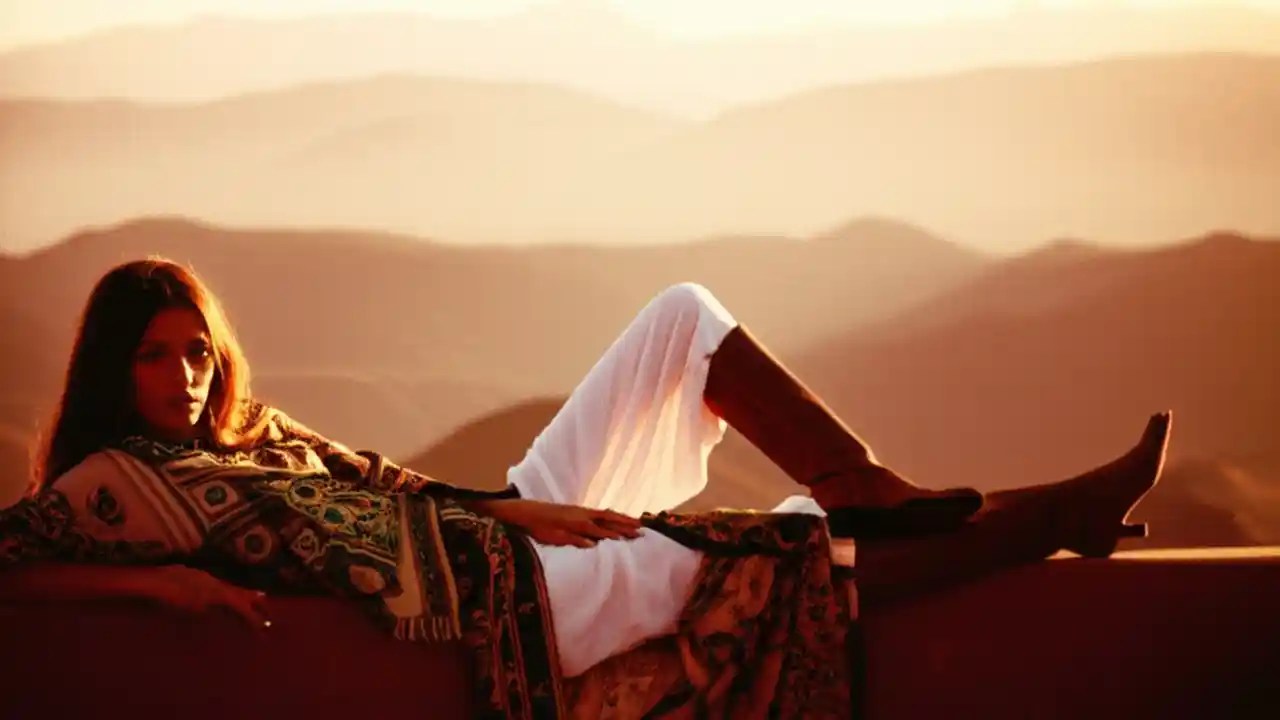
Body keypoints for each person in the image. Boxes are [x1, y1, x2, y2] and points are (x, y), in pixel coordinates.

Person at [0, 258, 1171, 715]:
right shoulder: (113, 484)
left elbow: (386, 484)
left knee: (680, 320)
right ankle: (1049, 520)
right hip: (513, 611)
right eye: (154, 357)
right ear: (112, 369)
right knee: (781, 548)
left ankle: (857, 476)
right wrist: (154, 587)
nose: (186, 376)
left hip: (492, 532)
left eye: (197, 351)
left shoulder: (250, 436)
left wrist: (515, 507)